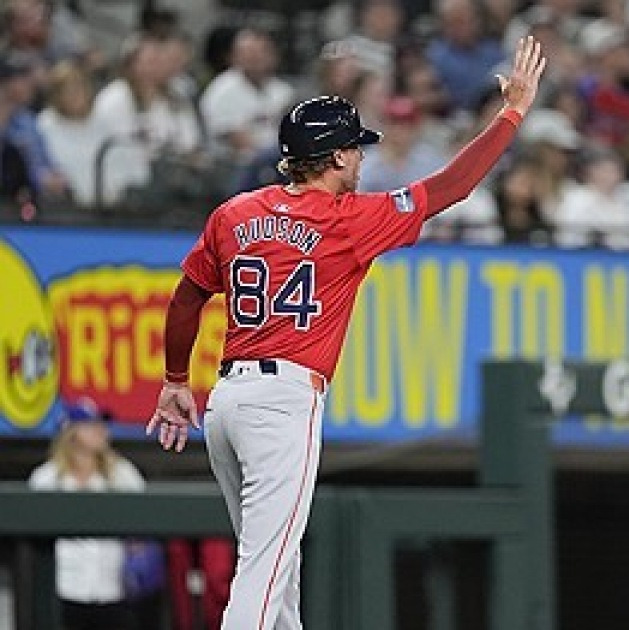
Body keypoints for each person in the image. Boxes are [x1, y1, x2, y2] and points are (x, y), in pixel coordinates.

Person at [145, 36, 546, 630]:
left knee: (280, 571)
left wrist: (176, 378)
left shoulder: (234, 213)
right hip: (283, 404)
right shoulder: (349, 221)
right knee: (263, 571)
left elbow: (187, 297)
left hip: (225, 403)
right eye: (355, 149)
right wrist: (510, 114)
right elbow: (453, 187)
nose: (362, 158)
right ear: (333, 157)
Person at [29, 398, 149, 630]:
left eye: (101, 424)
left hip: (112, 590)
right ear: (71, 432)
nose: (100, 431)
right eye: (90, 425)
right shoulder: (47, 478)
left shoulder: (121, 473)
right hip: (65, 589)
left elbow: (145, 518)